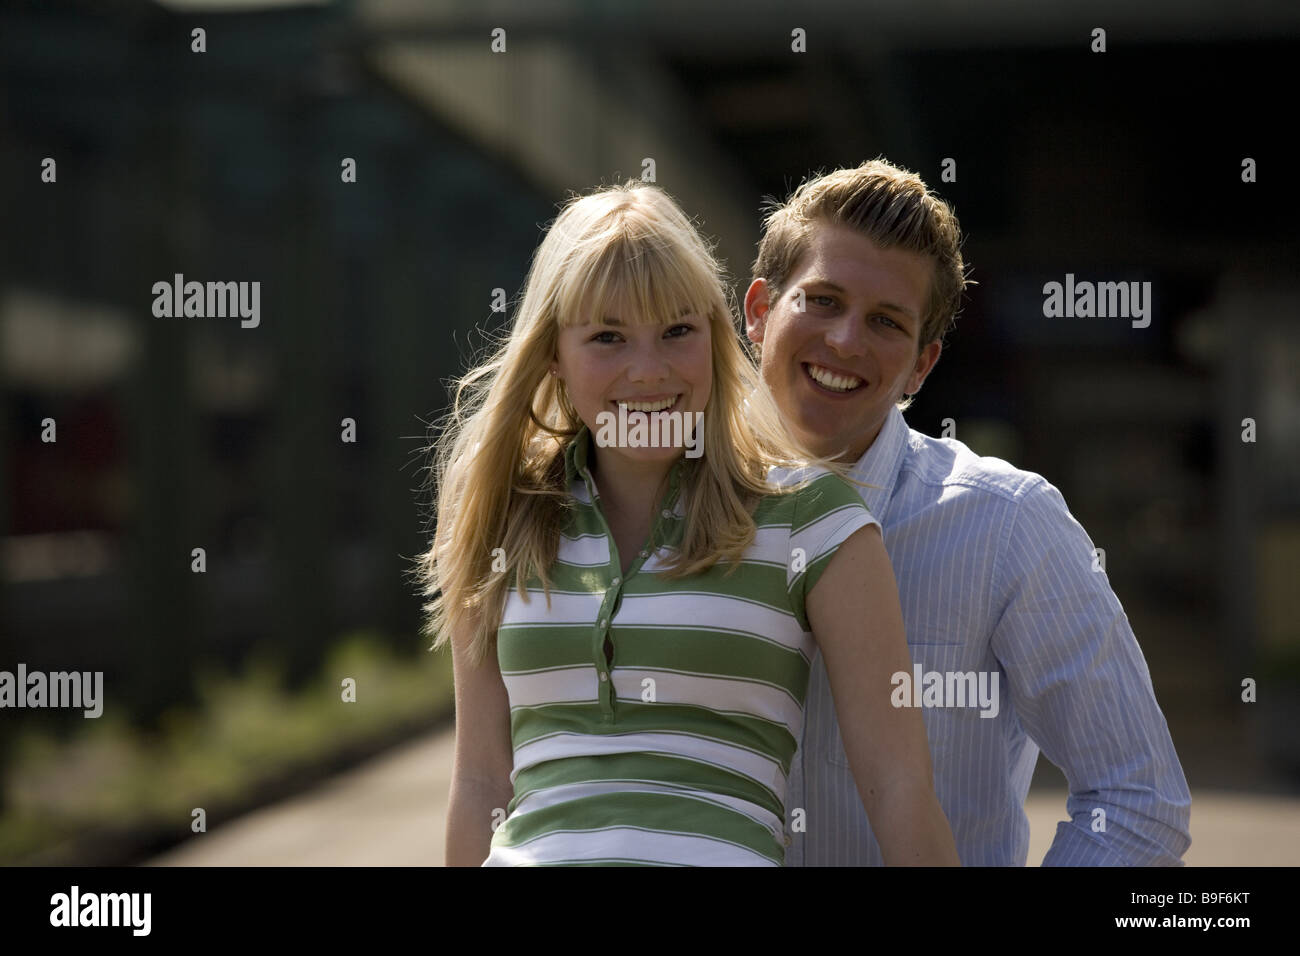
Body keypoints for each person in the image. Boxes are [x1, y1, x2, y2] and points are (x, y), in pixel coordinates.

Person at [417, 181, 960, 866]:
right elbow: (479, 782)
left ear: (715, 336)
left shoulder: (815, 517)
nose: (647, 373)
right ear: (553, 352)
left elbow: (898, 788)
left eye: (677, 331)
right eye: (608, 337)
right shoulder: (501, 506)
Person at [743, 158, 1193, 866]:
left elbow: (1137, 799)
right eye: (823, 300)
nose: (846, 341)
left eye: (885, 321)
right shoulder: (665, 505)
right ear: (760, 311)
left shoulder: (1008, 527)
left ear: (922, 366)